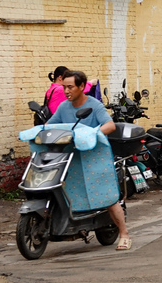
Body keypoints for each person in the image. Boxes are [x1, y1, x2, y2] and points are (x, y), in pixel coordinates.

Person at [48, 70, 131, 251]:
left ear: (81, 87)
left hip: (95, 156)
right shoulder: (63, 107)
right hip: (72, 156)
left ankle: (124, 233)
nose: (66, 91)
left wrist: (92, 134)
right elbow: (51, 125)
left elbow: (110, 125)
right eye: (64, 87)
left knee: (107, 196)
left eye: (70, 87)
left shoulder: (94, 106)